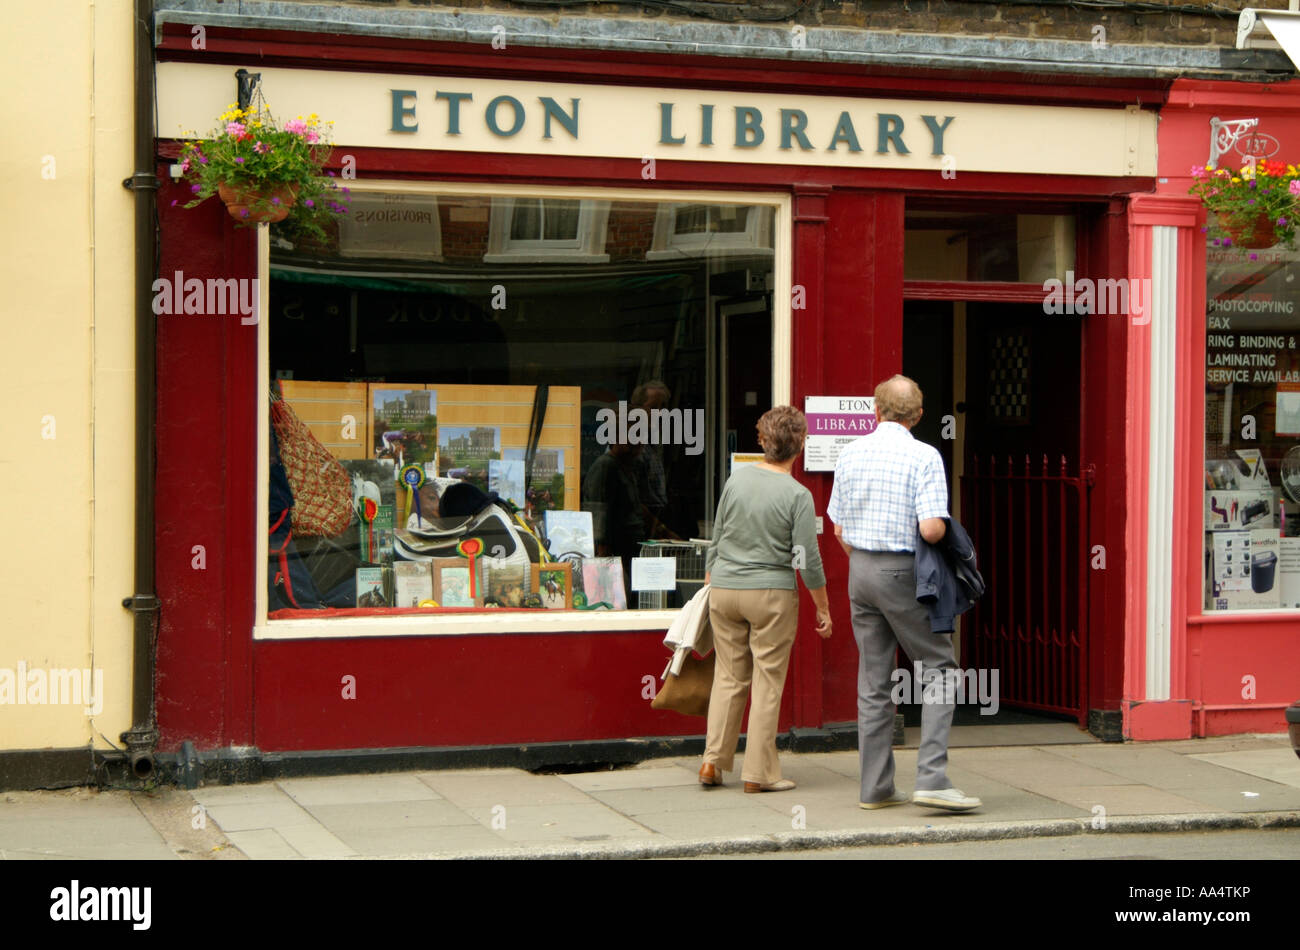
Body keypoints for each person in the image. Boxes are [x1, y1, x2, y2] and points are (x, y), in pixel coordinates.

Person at [827, 374, 982, 812]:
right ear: (917, 415)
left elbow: (838, 527)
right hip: (903, 572)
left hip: (860, 571)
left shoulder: (851, 453)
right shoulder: (924, 455)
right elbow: (931, 528)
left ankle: (875, 788)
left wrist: (862, 557)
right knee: (940, 669)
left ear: (874, 411)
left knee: (874, 682)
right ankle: (932, 778)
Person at [699, 406, 832, 793]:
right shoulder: (798, 495)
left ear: (761, 441)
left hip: (725, 589)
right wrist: (822, 606)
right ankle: (759, 774)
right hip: (770, 593)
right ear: (801, 446)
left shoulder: (736, 482)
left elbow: (718, 535)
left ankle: (712, 762)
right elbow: (806, 559)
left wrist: (713, 575)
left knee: (728, 675)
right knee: (768, 680)